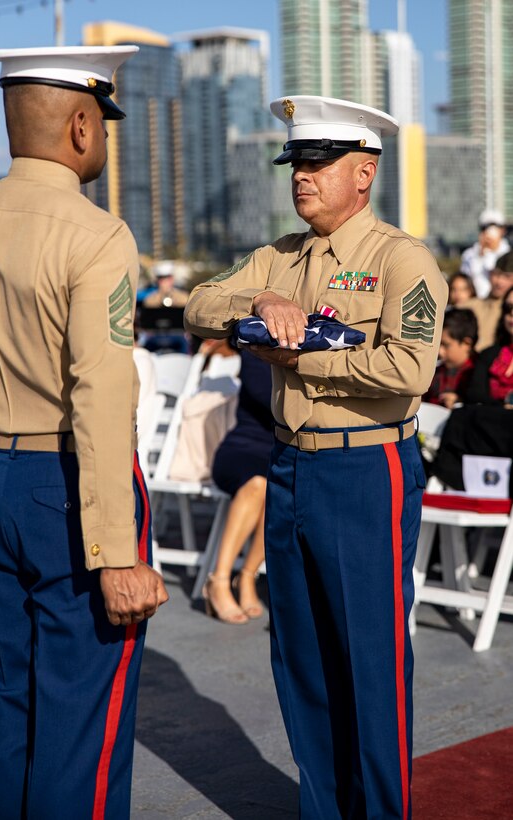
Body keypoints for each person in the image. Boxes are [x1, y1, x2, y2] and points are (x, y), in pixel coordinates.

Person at [185, 95, 447, 819]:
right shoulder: (279, 256)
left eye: (319, 163)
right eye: (296, 163)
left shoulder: (400, 259)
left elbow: (406, 372)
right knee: (299, 656)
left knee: (370, 662)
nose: (301, 177)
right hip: (289, 465)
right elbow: (199, 305)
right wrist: (265, 296)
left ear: (362, 173)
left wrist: (296, 357)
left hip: (364, 467)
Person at [0, 46, 168, 818]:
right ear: (83, 126)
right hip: (70, 484)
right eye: (104, 123)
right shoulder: (95, 234)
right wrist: (116, 553)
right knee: (82, 723)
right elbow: (100, 394)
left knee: (11, 708)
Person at [204, 350, 273, 624]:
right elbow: (273, 399)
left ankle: (247, 576)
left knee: (282, 488)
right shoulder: (259, 344)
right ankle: (218, 581)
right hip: (241, 449)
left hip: (279, 455)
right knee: (258, 483)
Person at [464, 285, 513, 407]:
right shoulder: (489, 354)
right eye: (508, 308)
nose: (512, 313)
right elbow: (474, 394)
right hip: (492, 421)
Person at [422, 308, 478, 408]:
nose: (440, 351)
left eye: (446, 345)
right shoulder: (436, 371)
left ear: (467, 343)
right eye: (438, 344)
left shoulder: (478, 373)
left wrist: (458, 401)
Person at [464, 250, 513, 351]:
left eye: (507, 277)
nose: (499, 281)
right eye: (496, 274)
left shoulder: (509, 314)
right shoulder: (469, 306)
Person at [460, 209, 510, 298]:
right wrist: (480, 255)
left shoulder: (509, 253)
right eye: (485, 227)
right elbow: (465, 280)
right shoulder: (469, 255)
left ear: (503, 230)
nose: (490, 231)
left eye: (496, 227)